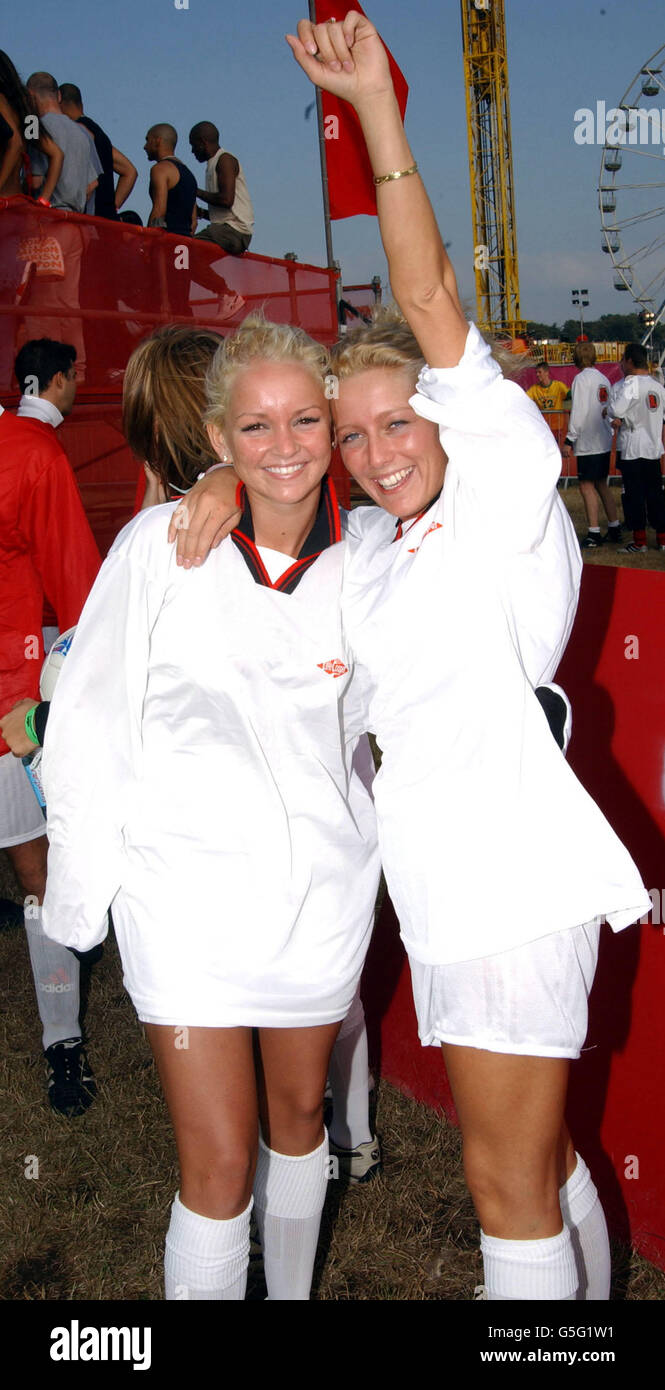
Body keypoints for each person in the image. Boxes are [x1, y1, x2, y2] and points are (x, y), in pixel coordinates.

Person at [174, 10, 650, 1301]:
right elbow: (292, 609)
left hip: (507, 895)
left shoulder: (500, 489)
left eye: (400, 422)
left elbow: (429, 294)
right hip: (440, 893)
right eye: (356, 433)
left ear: (445, 416)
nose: (378, 451)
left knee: (505, 1199)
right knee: (539, 1167)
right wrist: (222, 484)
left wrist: (378, 113)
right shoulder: (377, 550)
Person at [40, 321, 381, 1300]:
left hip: (315, 899)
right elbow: (91, 715)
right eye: (255, 427)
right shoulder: (159, 544)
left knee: (299, 1123)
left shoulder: (369, 559)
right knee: (218, 1164)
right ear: (218, 437)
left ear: (332, 425)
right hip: (180, 898)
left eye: (304, 420)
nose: (284, 444)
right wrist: (78, 897)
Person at [0, 339, 101, 1116]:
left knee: (37, 873)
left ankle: (62, 1037)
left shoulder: (27, 450)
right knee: (42, 877)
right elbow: (79, 588)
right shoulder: (34, 454)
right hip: (10, 708)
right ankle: (63, 1042)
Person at [562, 342, 621, 549]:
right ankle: (614, 526)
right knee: (601, 484)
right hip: (603, 438)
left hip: (588, 441)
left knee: (586, 486)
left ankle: (593, 531)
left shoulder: (581, 379)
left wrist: (570, 439)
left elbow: (578, 411)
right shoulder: (603, 378)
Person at [608, 343, 665, 554]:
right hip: (653, 446)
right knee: (655, 493)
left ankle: (639, 541)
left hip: (634, 446)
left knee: (635, 494)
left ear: (630, 361)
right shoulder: (657, 385)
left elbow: (616, 408)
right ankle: (661, 538)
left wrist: (615, 413)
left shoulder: (632, 384)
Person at [58, 84, 137, 219]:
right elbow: (130, 171)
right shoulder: (99, 134)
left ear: (59, 101)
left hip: (87, 218)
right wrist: (111, 207)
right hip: (105, 220)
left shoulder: (77, 132)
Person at [25, 72, 101, 212]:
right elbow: (92, 184)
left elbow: (35, 181)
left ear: (30, 96)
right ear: (59, 96)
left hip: (48, 216)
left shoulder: (36, 127)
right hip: (75, 221)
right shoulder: (82, 132)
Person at [0, 51, 63, 200]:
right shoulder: (24, 110)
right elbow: (56, 153)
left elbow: (15, 143)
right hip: (18, 203)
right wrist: (44, 200)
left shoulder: (2, 102)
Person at [189, 121, 254, 255]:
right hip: (227, 230)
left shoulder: (224, 160)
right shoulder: (211, 165)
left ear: (203, 142)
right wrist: (201, 213)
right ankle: (215, 277)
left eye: (193, 145)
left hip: (234, 232)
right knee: (197, 257)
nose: (192, 151)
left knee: (189, 248)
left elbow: (226, 200)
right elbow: (226, 214)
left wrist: (195, 191)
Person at [144, 124, 196, 236]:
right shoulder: (189, 175)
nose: (145, 146)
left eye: (147, 140)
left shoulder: (160, 169)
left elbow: (158, 213)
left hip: (166, 243)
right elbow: (194, 221)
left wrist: (146, 243)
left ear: (157, 141)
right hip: (184, 245)